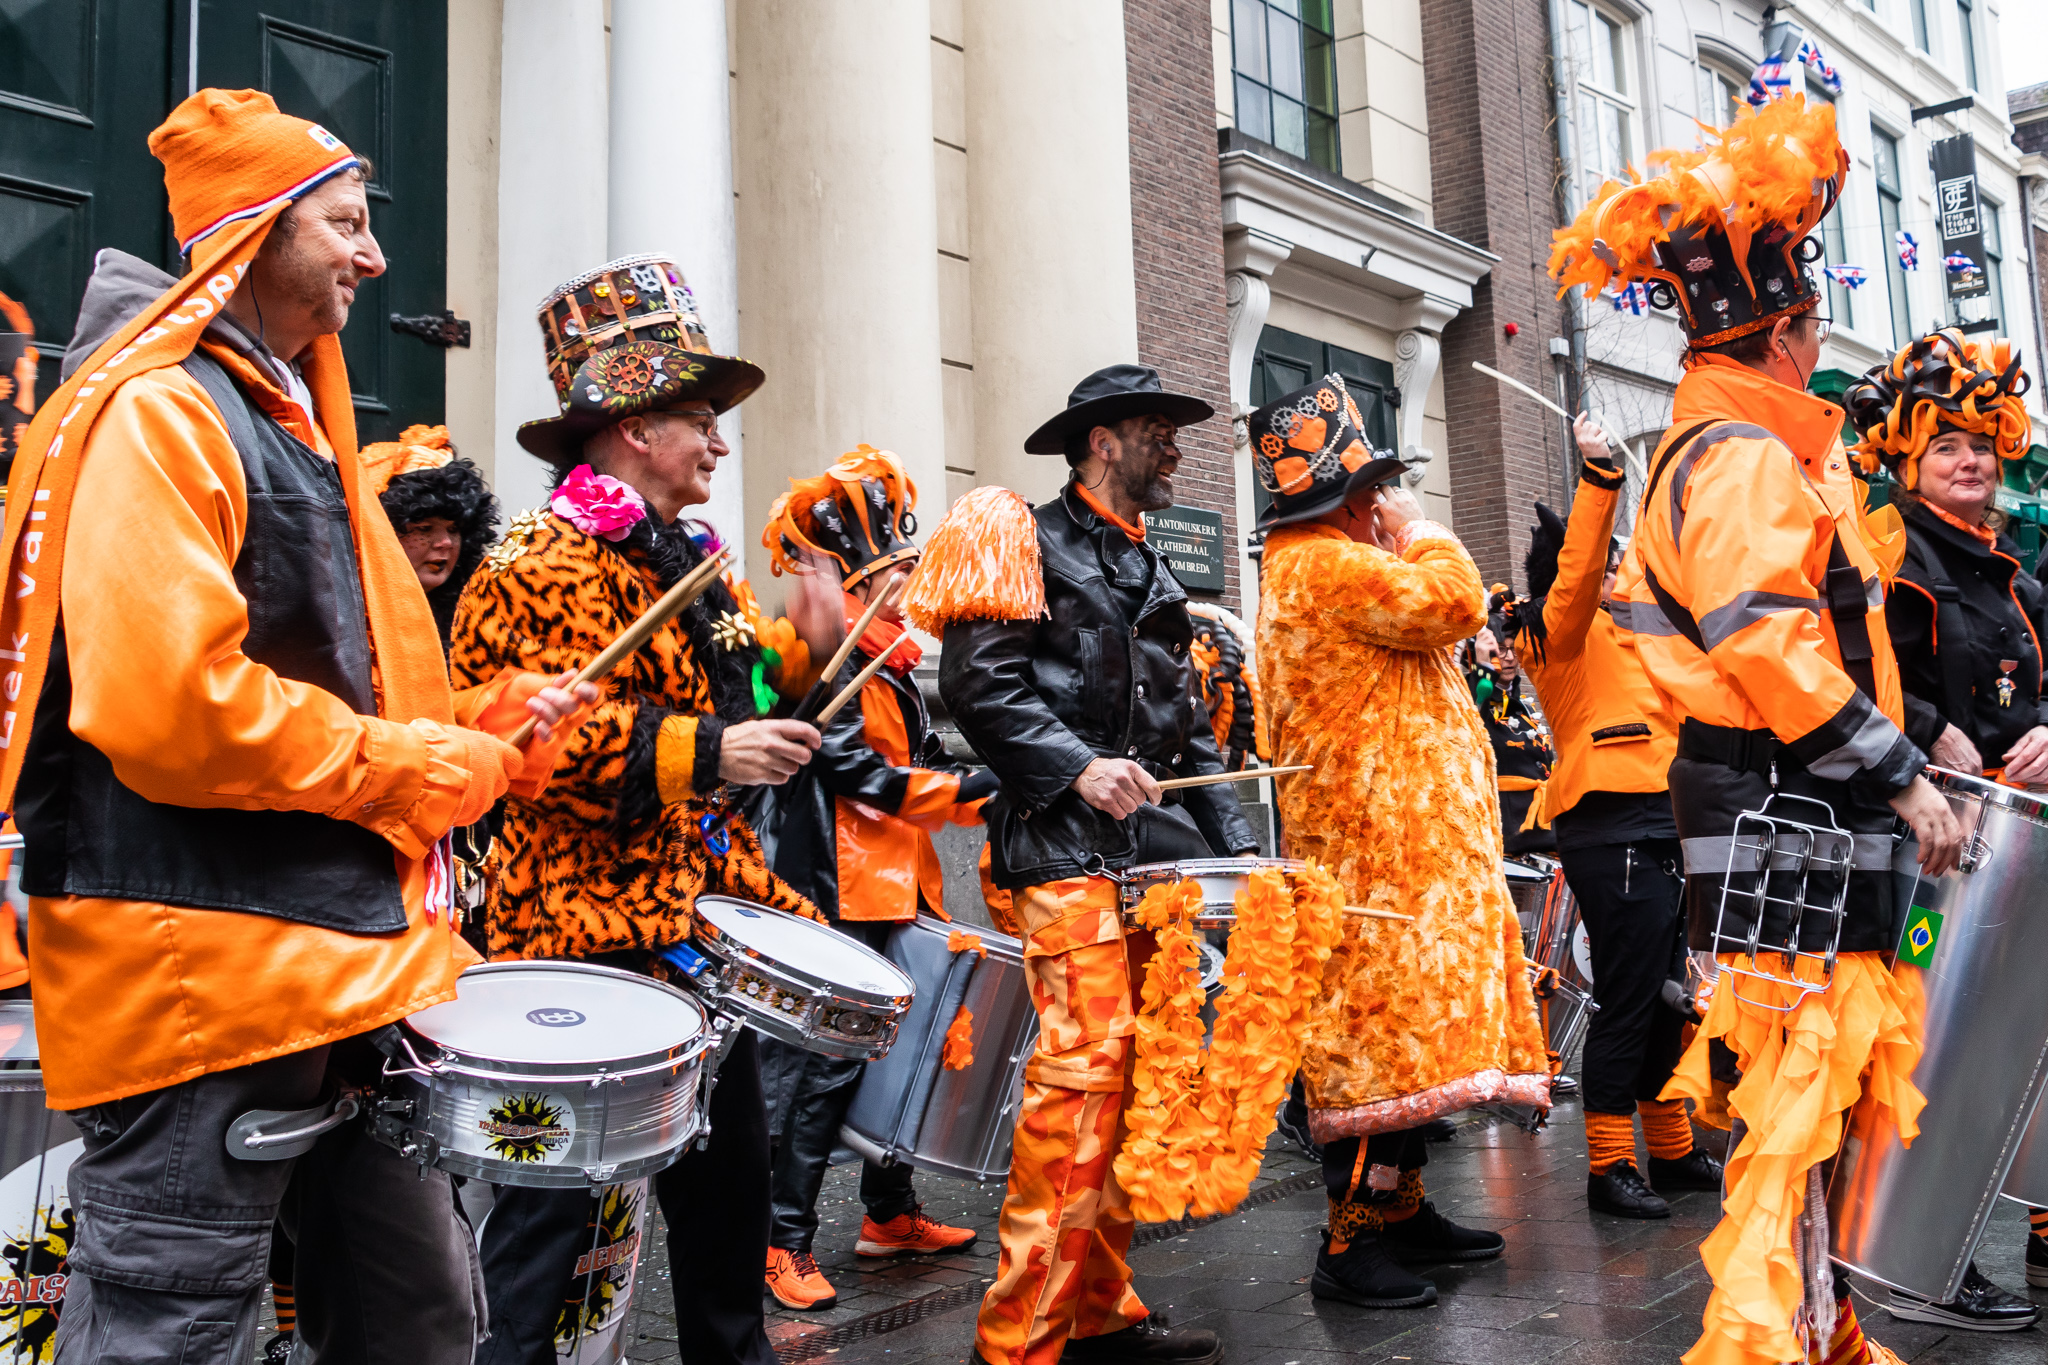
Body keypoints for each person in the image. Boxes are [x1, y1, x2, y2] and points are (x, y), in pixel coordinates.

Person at [0, 89, 592, 1363]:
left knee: (418, 1318)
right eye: (345, 223)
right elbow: (173, 709)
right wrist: (424, 765)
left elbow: (329, 683)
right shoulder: (163, 414)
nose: (374, 257)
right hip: (207, 984)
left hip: (339, 970)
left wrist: (482, 731)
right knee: (172, 1331)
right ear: (250, 233)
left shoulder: (282, 419)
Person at [1553, 93, 1964, 1365]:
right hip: (1787, 817)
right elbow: (1767, 648)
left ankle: (1821, 1334)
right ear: (1784, 336)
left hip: (1796, 811)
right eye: (1813, 322)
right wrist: (1900, 775)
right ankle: (1770, 1345)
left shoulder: (1752, 447)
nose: (1820, 337)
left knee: (1817, 1101)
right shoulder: (1735, 456)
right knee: (1793, 1105)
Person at [448, 254, 827, 1365]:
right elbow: (534, 750)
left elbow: (742, 699)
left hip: (694, 926)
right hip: (575, 934)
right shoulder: (535, 560)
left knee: (728, 1192)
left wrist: (804, 655)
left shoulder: (694, 565)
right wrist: (711, 750)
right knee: (549, 1218)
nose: (718, 444)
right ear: (632, 430)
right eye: (700, 422)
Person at [921, 364, 1256, 1365]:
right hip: (1056, 850)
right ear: (1103, 442)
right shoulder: (1019, 535)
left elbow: (1192, 734)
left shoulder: (1153, 568)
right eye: (1160, 430)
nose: (1177, 448)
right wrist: (1078, 767)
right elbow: (978, 686)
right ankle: (1016, 1341)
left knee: (1132, 1082)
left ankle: (1099, 1309)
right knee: (1081, 1080)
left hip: (1145, 864)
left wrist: (1244, 852)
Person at [1251, 373, 1549, 1310]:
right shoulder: (1321, 564)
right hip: (1370, 856)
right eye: (1374, 490)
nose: (1384, 504)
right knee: (1371, 1046)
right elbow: (1456, 603)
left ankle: (1403, 1208)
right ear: (1347, 500)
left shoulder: (1324, 563)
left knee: (1404, 1040)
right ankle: (1348, 1241)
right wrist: (1423, 528)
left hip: (1397, 850)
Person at [752, 444, 989, 1310]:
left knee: (904, 1053)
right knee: (822, 1066)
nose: (907, 583)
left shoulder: (886, 657)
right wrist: (969, 791)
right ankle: (781, 1239)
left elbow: (915, 759)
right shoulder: (827, 657)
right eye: (894, 572)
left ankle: (888, 1213)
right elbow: (860, 774)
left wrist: (983, 781)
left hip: (898, 881)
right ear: (859, 581)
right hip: (837, 888)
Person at [1841, 330, 2042, 1331]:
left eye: (1981, 446)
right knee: (1926, 1041)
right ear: (1907, 459)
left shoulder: (2016, 578)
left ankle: (2040, 1221)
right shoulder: (1885, 551)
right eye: (1945, 447)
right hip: (1925, 845)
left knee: (2028, 1029)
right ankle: (1913, 1250)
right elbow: (1851, 672)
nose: (1969, 463)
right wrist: (1924, 731)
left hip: (2019, 844)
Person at [1500, 418, 1722, 1220]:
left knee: (1667, 994)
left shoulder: (1637, 628)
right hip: (1612, 825)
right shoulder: (1552, 632)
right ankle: (1608, 1164)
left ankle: (1671, 1147)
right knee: (1628, 996)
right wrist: (1600, 478)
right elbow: (1580, 573)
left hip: (1667, 821)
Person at [1471, 612, 1556, 857]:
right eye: (1500, 649)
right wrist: (1482, 666)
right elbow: (1472, 713)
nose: (1509, 657)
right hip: (1505, 835)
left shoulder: (1523, 705)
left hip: (1541, 832)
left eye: (1512, 649)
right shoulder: (1473, 697)